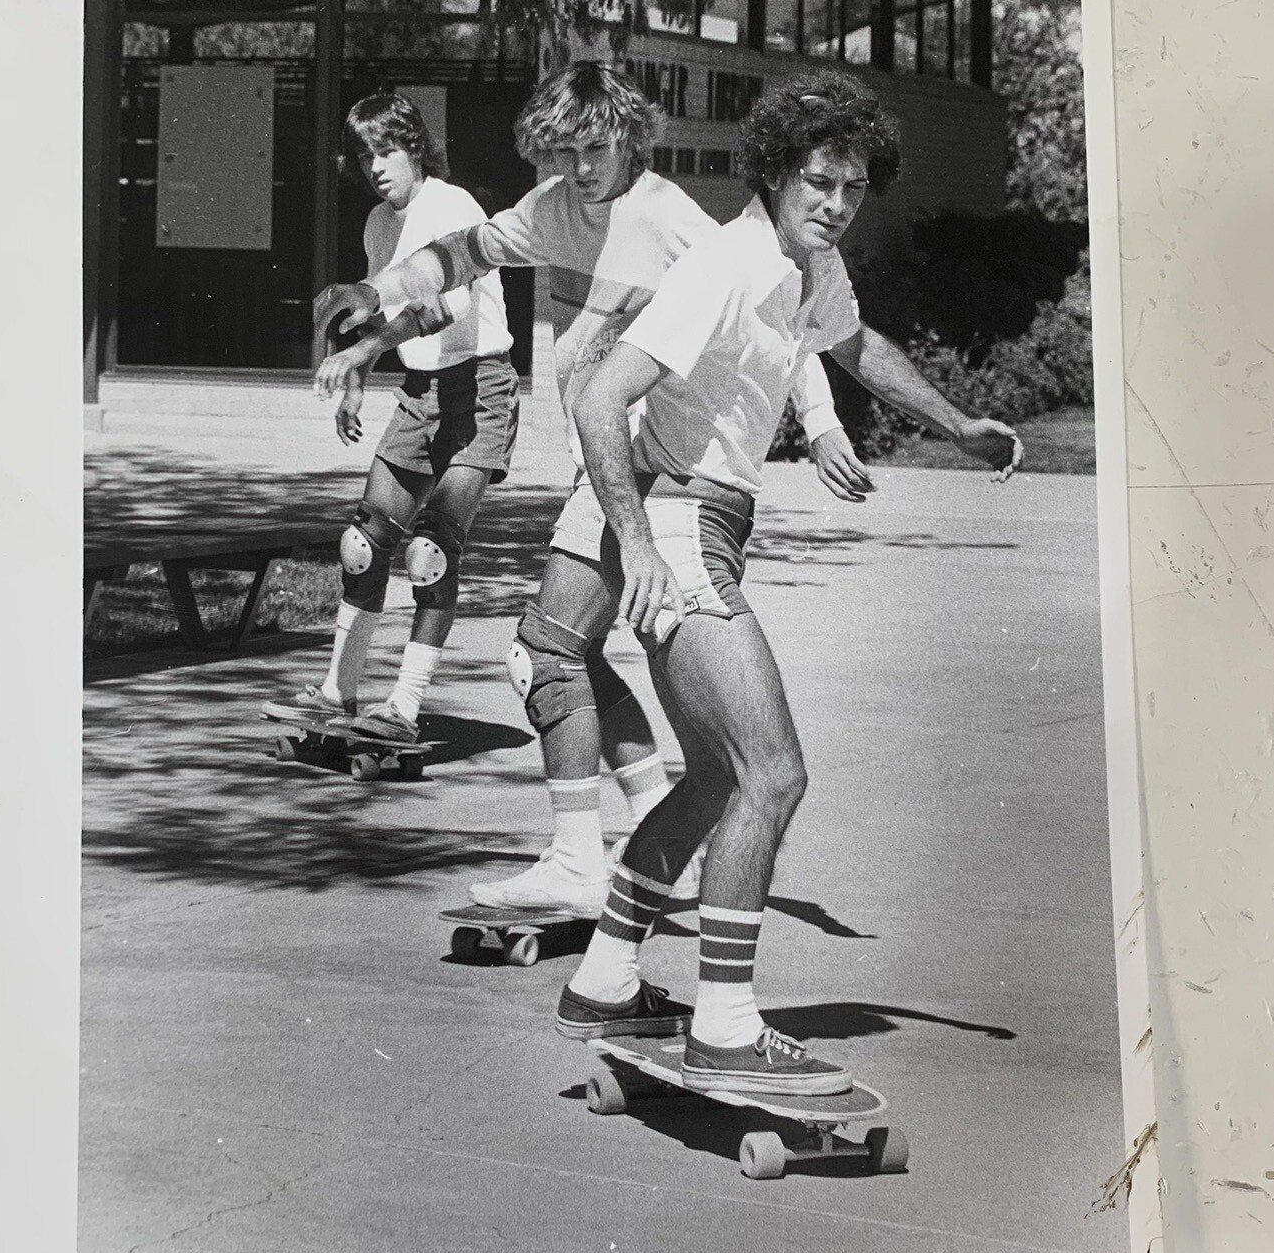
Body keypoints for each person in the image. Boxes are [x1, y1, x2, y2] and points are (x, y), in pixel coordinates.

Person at [552, 67, 1024, 1093]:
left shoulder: (803, 269)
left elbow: (855, 347)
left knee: (719, 775)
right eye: (818, 182)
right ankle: (723, 1020)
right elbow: (599, 398)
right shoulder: (726, 264)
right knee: (774, 772)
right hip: (675, 528)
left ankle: (602, 974)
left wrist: (959, 427)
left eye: (853, 187)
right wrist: (632, 545)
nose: (836, 204)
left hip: (708, 525)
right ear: (772, 173)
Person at [314, 64, 868, 916]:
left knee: (553, 656)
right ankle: (642, 824)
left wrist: (823, 423)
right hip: (604, 468)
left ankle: (603, 853)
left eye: (594, 149)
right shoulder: (553, 208)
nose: (579, 168)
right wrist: (373, 292)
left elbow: (777, 313)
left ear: (630, 137)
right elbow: (459, 253)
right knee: (560, 656)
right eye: (564, 152)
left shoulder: (672, 217)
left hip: (663, 473)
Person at [263, 91, 517, 743]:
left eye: (387, 150)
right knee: (362, 543)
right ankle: (338, 695)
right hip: (421, 391)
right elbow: (385, 310)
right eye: (364, 154)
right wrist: (359, 377)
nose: (376, 166)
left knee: (431, 551)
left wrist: (359, 349)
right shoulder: (379, 222)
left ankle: (402, 708)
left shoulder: (453, 206)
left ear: (414, 147)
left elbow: (439, 310)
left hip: (480, 392)